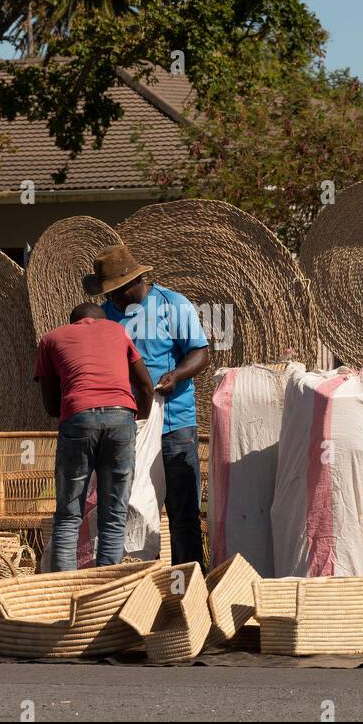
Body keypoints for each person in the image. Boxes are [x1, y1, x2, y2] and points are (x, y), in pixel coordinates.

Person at [87, 245, 211, 571]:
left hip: (174, 423)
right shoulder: (106, 315)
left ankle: (189, 589)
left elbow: (200, 353)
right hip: (125, 427)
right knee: (130, 509)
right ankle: (137, 584)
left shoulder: (174, 305)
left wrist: (177, 375)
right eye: (108, 293)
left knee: (183, 512)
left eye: (117, 292)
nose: (112, 299)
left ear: (136, 281)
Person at [34, 302, 154, 571]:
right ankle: (105, 596)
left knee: (68, 516)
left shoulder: (51, 339)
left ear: (73, 322)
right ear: (100, 320)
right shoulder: (118, 331)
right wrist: (138, 421)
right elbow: (145, 387)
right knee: (113, 516)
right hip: (121, 419)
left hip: (78, 418)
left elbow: (52, 406)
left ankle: (66, 597)